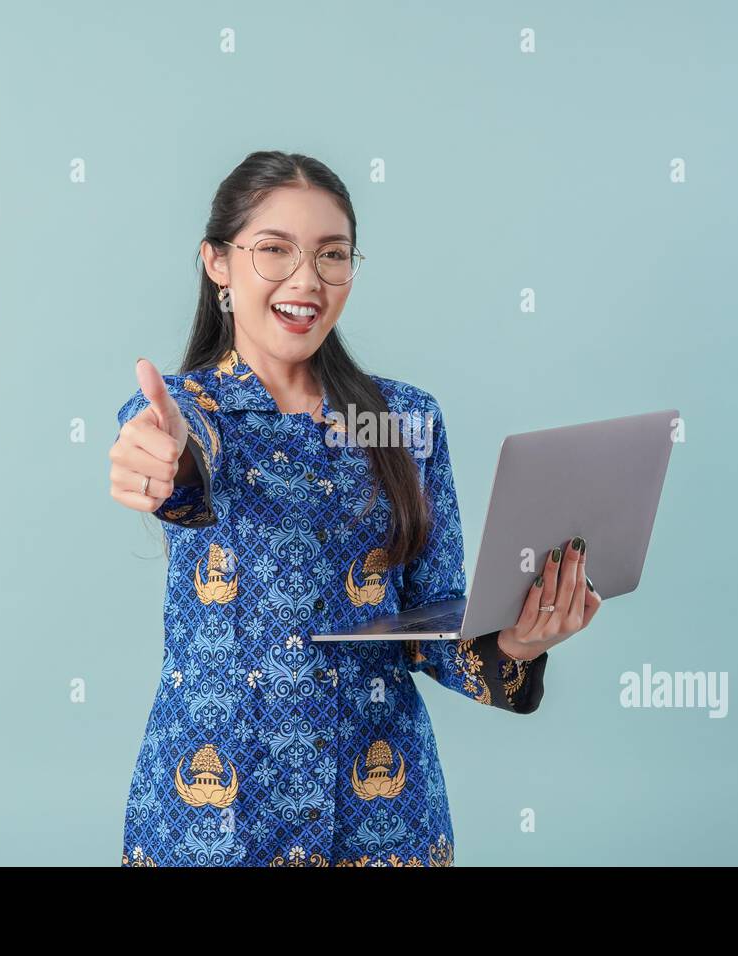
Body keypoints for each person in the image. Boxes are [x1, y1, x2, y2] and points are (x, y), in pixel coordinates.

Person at [108, 150, 602, 867]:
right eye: (274, 250)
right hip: (215, 820)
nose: (306, 280)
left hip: (380, 816)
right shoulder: (189, 410)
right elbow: (184, 462)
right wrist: (163, 461)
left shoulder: (403, 421)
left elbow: (430, 622)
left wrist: (519, 643)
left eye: (331, 255)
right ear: (218, 263)